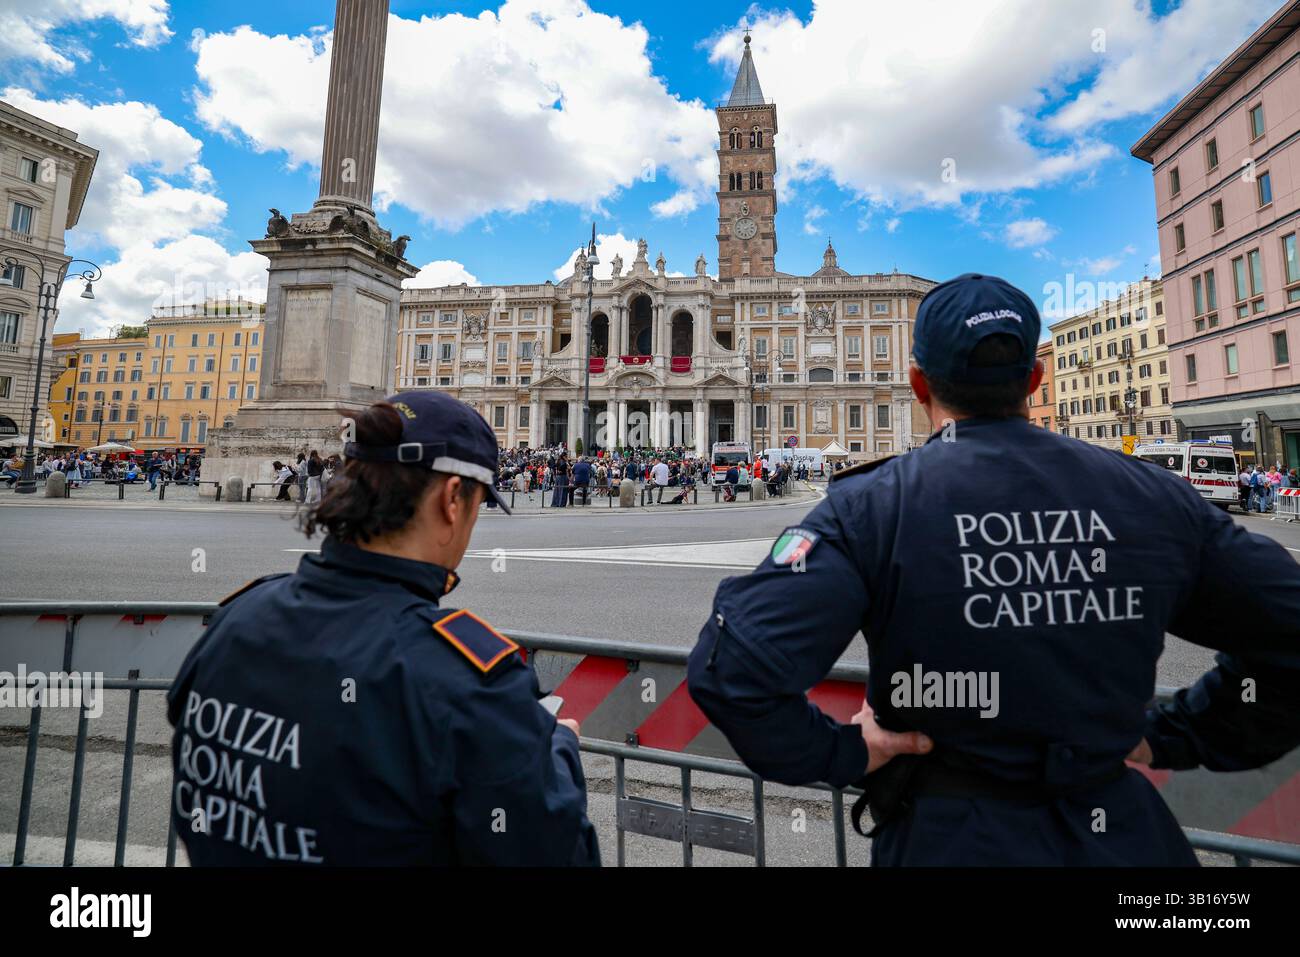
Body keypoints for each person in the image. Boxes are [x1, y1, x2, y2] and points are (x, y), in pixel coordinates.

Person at [687, 273, 1300, 867]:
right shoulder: (1148, 494)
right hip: (1119, 836)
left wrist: (844, 753)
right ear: (1033, 379)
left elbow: (732, 669)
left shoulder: (871, 506)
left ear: (918, 384)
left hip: (944, 836)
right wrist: (1173, 735)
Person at [168, 391, 598, 866]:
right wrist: (555, 755)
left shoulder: (236, 618)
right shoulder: (469, 681)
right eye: (479, 504)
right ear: (453, 499)